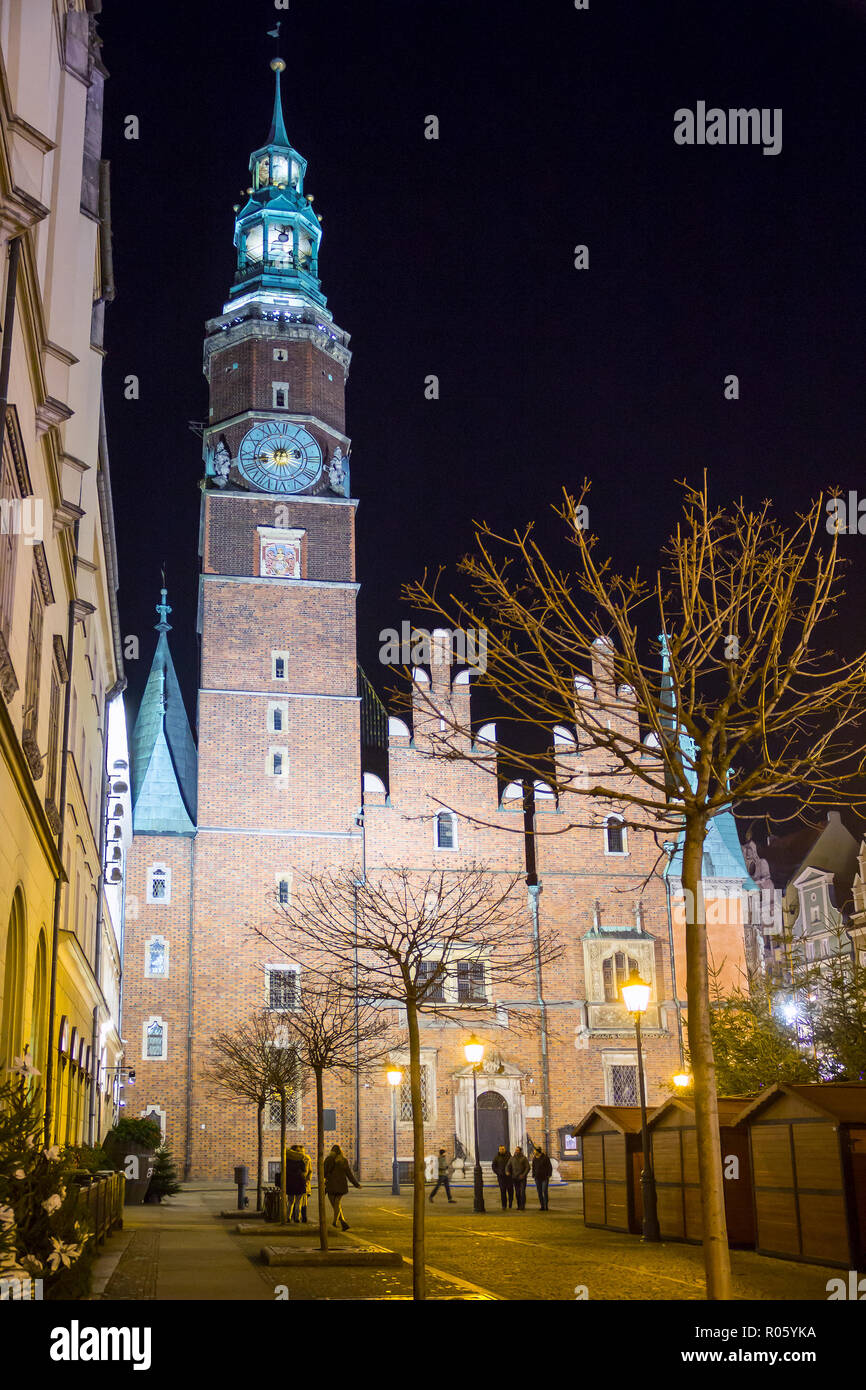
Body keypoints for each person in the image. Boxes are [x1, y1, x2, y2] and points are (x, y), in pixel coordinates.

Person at [323, 1143, 361, 1230]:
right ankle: (341, 1222)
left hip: (331, 1185)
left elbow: (324, 1172)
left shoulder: (329, 1159)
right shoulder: (343, 1160)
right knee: (337, 1204)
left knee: (335, 1205)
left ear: (332, 1151)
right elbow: (349, 1174)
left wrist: (327, 1178)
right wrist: (356, 1184)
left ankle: (337, 1222)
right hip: (341, 1185)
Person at [283, 1143, 307, 1223]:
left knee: (290, 1201)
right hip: (299, 1182)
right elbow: (304, 1171)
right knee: (298, 1202)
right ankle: (297, 1218)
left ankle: (288, 1217)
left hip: (290, 1183)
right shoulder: (301, 1159)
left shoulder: (287, 1159)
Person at [492, 1145, 514, 1209]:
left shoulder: (509, 1156)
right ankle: (504, 1205)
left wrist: (511, 1172)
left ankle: (510, 1204)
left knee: (510, 1191)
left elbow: (512, 1165)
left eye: (503, 1149)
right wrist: (498, 1173)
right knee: (503, 1191)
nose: (502, 1150)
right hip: (501, 1177)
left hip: (509, 1177)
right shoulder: (496, 1157)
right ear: (499, 1150)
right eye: (501, 1149)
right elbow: (493, 1166)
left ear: (505, 1149)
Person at [532, 1145, 553, 1210]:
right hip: (537, 1178)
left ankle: (546, 1205)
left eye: (534, 1150)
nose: (534, 1151)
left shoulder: (545, 1158)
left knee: (544, 1191)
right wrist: (533, 1174)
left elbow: (549, 1167)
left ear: (538, 1151)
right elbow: (533, 1167)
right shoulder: (534, 1158)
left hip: (544, 1177)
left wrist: (549, 1175)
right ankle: (542, 1206)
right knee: (539, 1192)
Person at [298, 1143, 312, 1224]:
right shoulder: (304, 1159)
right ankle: (302, 1217)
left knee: (302, 1201)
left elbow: (309, 1171)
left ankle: (302, 1217)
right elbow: (310, 1171)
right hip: (302, 1182)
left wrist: (307, 1180)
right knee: (301, 1201)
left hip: (303, 1183)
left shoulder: (306, 1159)